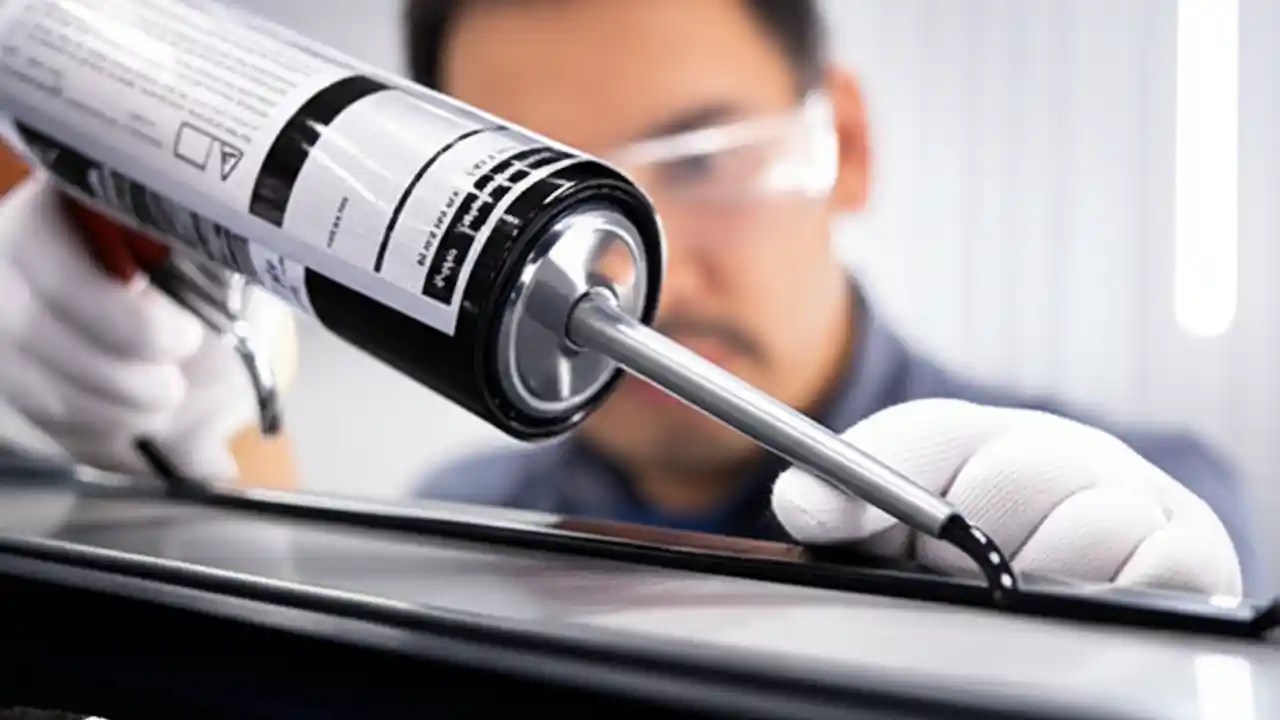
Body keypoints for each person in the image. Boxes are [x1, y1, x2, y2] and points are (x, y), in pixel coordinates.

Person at [0, 0, 1261, 596]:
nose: (613, 277)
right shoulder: (461, 533)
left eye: (703, 162)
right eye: (529, 202)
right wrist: (209, 449)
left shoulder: (1139, 511)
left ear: (850, 146)